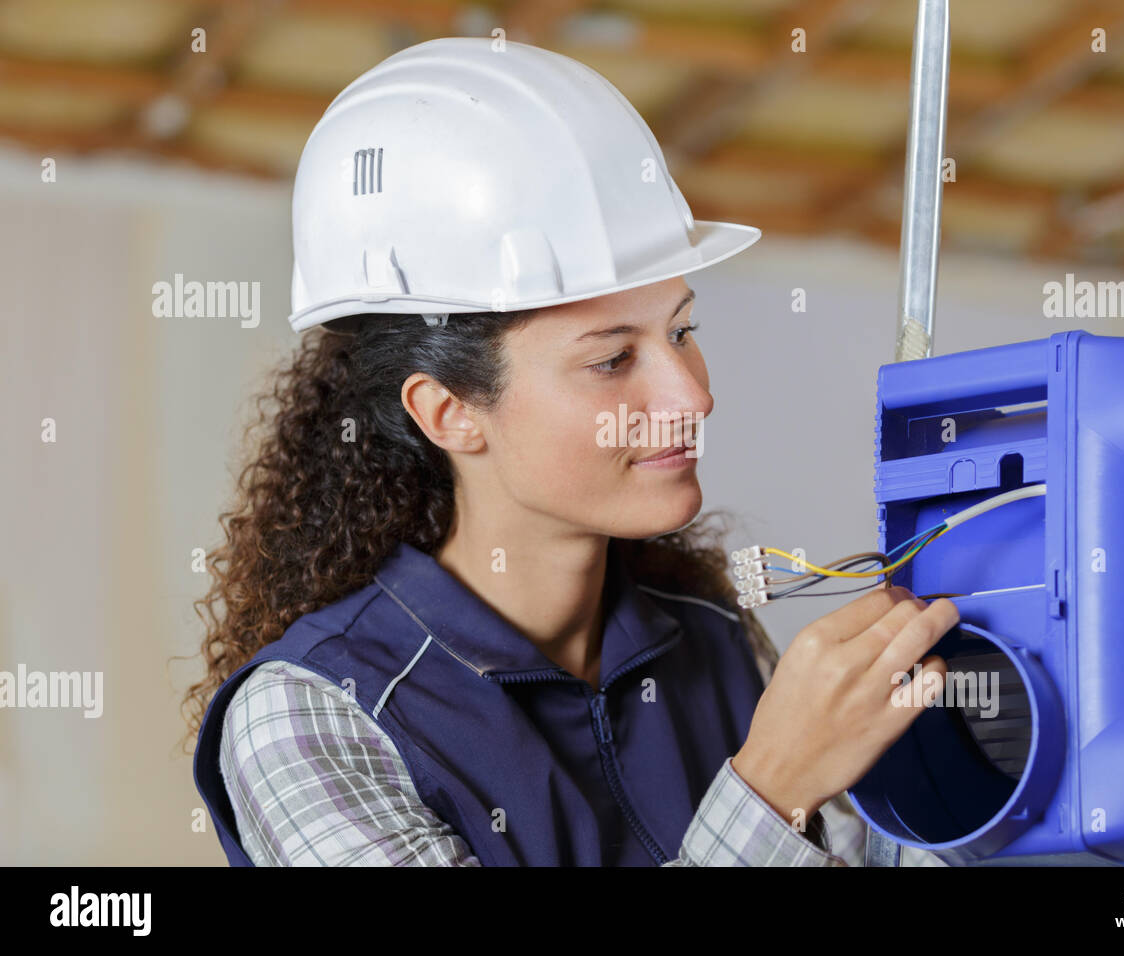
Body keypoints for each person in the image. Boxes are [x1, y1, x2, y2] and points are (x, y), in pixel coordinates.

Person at [183, 36, 958, 867]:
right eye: (613, 359)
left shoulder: (712, 643)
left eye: (682, 332)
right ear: (449, 412)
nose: (692, 398)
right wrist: (772, 789)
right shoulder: (311, 714)